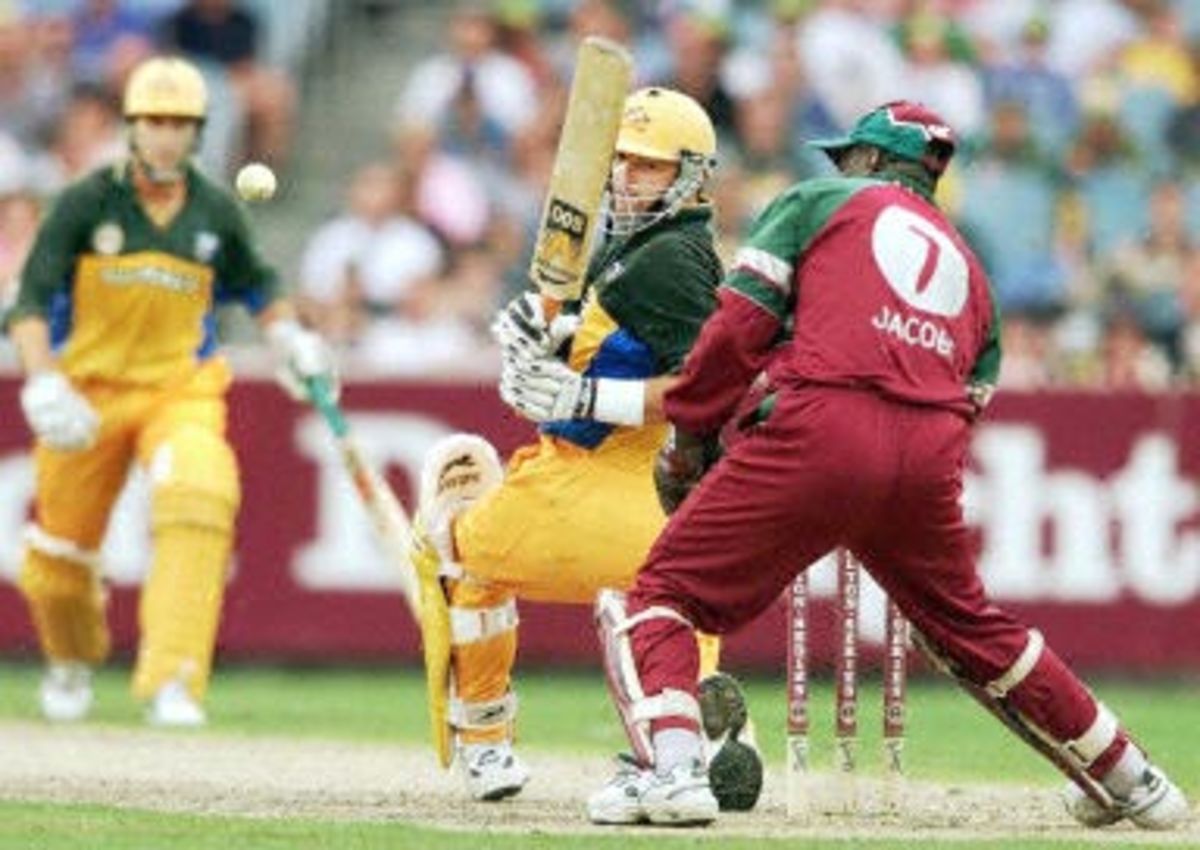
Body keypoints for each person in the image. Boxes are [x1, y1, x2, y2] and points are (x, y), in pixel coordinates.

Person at [582, 100, 1190, 829]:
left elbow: (734, 332)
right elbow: (968, 402)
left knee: (661, 595)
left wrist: (690, 437)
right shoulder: (974, 274)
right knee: (972, 628)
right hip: (929, 452)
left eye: (848, 158)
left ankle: (674, 773)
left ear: (871, 161)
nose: (839, 169)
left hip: (822, 427)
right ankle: (1133, 777)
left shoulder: (817, 201)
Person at [409, 87, 762, 809]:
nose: (629, 176)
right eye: (624, 161)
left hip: (591, 485)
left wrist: (581, 396)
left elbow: (708, 387)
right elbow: (638, 345)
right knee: (667, 614)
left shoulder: (667, 257)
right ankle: (694, 733)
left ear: (693, 176)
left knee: (452, 542)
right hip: (669, 515)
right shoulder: (648, 247)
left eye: (651, 167)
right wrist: (556, 339)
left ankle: (485, 742)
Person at [5, 56, 335, 728]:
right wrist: (42, 382)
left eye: (181, 124)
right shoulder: (86, 200)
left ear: (198, 131)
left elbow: (260, 285)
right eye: (155, 121)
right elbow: (30, 303)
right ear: (132, 126)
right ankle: (70, 662)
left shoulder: (215, 208)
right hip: (87, 394)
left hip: (178, 391)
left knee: (200, 492)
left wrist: (290, 339)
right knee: (59, 557)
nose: (167, 136)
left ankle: (174, 679)